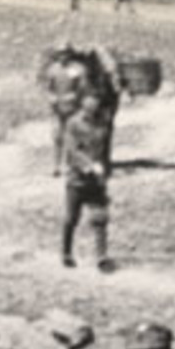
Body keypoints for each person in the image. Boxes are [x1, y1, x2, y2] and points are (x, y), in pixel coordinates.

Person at [60, 87, 118, 272]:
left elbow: (106, 151)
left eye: (95, 100)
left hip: (97, 181)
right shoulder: (73, 123)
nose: (92, 104)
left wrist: (106, 171)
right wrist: (89, 166)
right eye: (88, 100)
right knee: (71, 218)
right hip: (77, 180)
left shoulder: (104, 124)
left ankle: (101, 256)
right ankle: (66, 253)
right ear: (82, 102)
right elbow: (72, 150)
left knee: (100, 217)